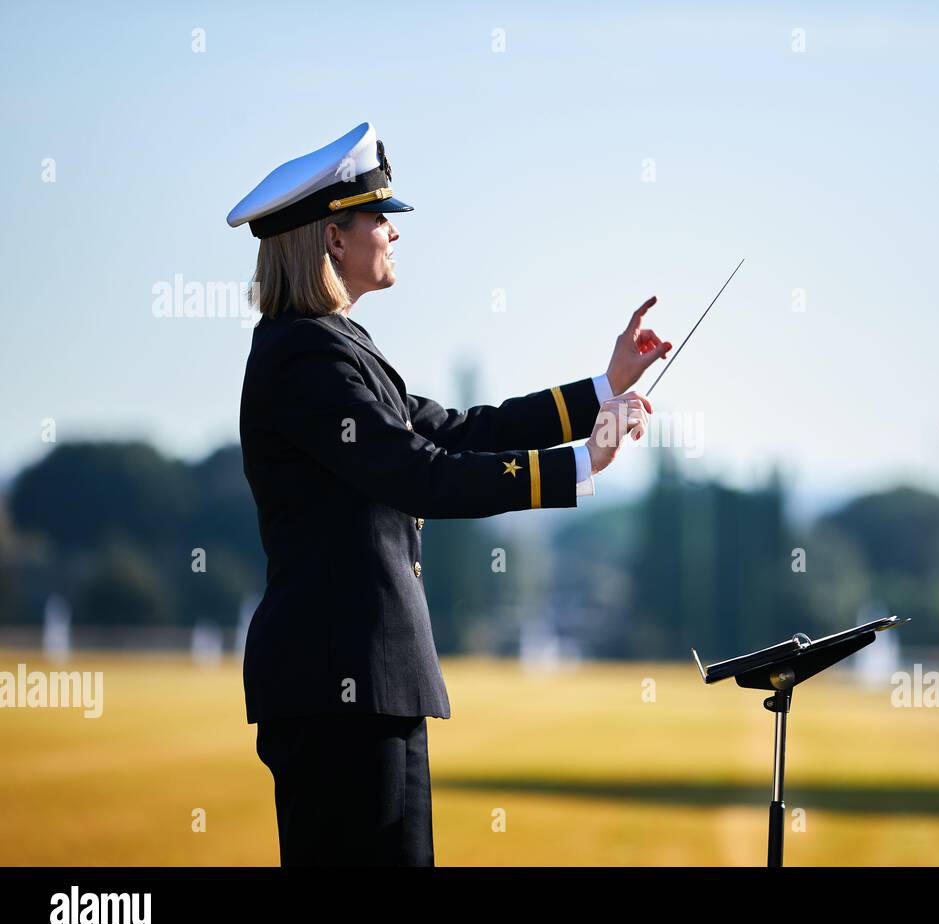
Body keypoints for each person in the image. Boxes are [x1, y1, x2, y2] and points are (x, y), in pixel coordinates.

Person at [227, 122, 671, 865]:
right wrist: (579, 466)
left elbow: (460, 430)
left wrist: (605, 388)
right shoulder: (304, 355)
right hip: (341, 691)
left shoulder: (336, 345)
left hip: (370, 687)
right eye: (379, 217)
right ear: (333, 239)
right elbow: (420, 471)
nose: (392, 232)